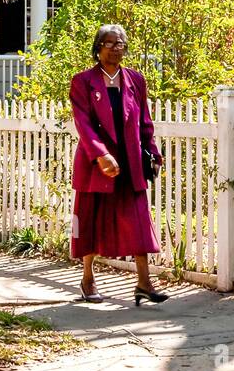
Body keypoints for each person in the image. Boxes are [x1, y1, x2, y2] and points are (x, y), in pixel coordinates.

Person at [69, 24, 168, 306]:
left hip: (130, 162)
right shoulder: (83, 81)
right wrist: (100, 154)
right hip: (96, 165)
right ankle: (88, 279)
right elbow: (83, 124)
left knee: (137, 221)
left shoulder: (136, 80)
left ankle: (144, 283)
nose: (117, 47)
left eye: (121, 43)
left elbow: (143, 122)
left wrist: (152, 150)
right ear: (98, 48)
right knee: (92, 221)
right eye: (110, 43)